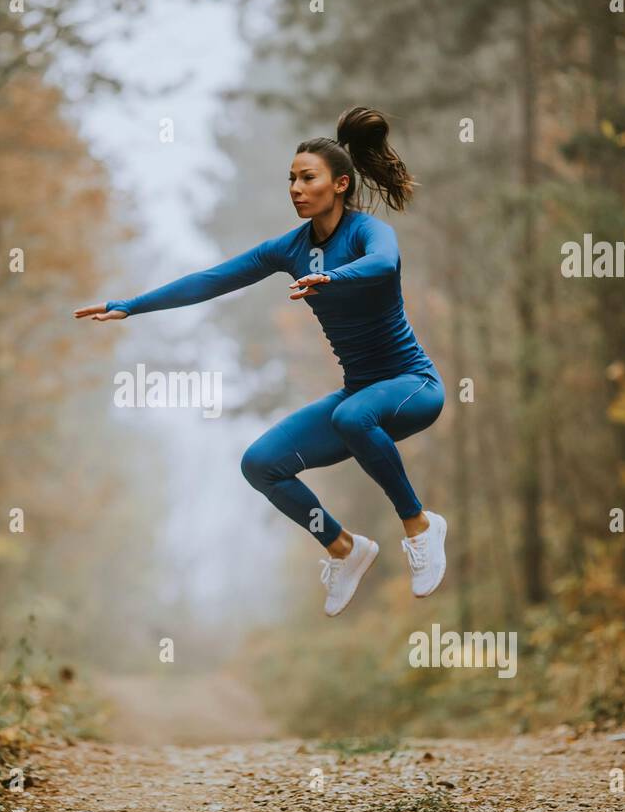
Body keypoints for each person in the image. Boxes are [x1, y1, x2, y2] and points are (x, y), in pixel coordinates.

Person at [74, 106, 447, 616]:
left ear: (340, 184)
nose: (295, 188)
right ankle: (344, 548)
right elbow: (210, 280)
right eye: (290, 179)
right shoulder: (288, 249)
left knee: (351, 416)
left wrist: (333, 278)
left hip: (412, 386)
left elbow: (382, 265)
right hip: (358, 397)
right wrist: (130, 305)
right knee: (261, 464)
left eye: (306, 178)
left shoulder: (367, 234)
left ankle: (419, 525)